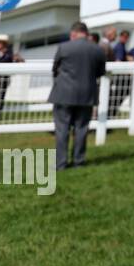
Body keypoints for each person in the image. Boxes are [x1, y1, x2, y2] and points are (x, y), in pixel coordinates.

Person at [49, 22, 108, 169]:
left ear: (74, 33)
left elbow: (55, 68)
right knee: (81, 129)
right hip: (86, 94)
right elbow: (101, 72)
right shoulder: (98, 49)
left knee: (62, 129)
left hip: (64, 94)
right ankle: (78, 161)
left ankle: (60, 163)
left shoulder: (64, 47)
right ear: (86, 33)